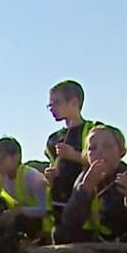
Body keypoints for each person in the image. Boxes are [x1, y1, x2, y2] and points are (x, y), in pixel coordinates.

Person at [0, 137, 48, 253]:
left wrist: (18, 211)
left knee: (18, 218)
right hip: (15, 216)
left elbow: (44, 210)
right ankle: (1, 238)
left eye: (1, 159)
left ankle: (19, 241)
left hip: (36, 222)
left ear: (16, 157)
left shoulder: (31, 177)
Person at [43, 80, 99, 222]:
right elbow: (53, 167)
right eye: (50, 104)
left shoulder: (94, 130)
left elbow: (106, 164)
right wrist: (50, 176)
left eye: (56, 103)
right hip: (59, 202)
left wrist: (74, 156)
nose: (51, 108)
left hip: (88, 203)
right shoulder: (53, 139)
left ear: (74, 102)